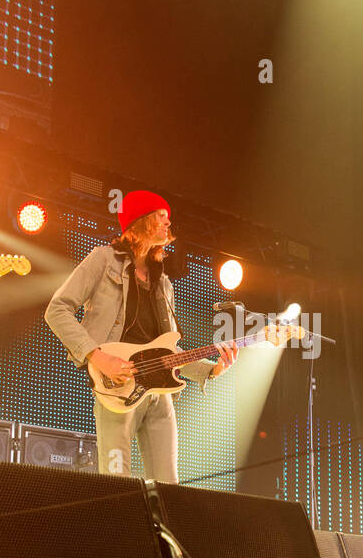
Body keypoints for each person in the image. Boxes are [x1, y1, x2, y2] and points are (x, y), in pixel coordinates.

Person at [44, 190, 237, 483]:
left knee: (169, 487)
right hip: (116, 386)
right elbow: (56, 309)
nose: (168, 223)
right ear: (141, 219)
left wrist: (213, 369)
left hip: (159, 393)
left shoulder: (163, 281)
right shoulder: (103, 259)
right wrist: (98, 356)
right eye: (161, 215)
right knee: (117, 484)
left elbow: (166, 350)